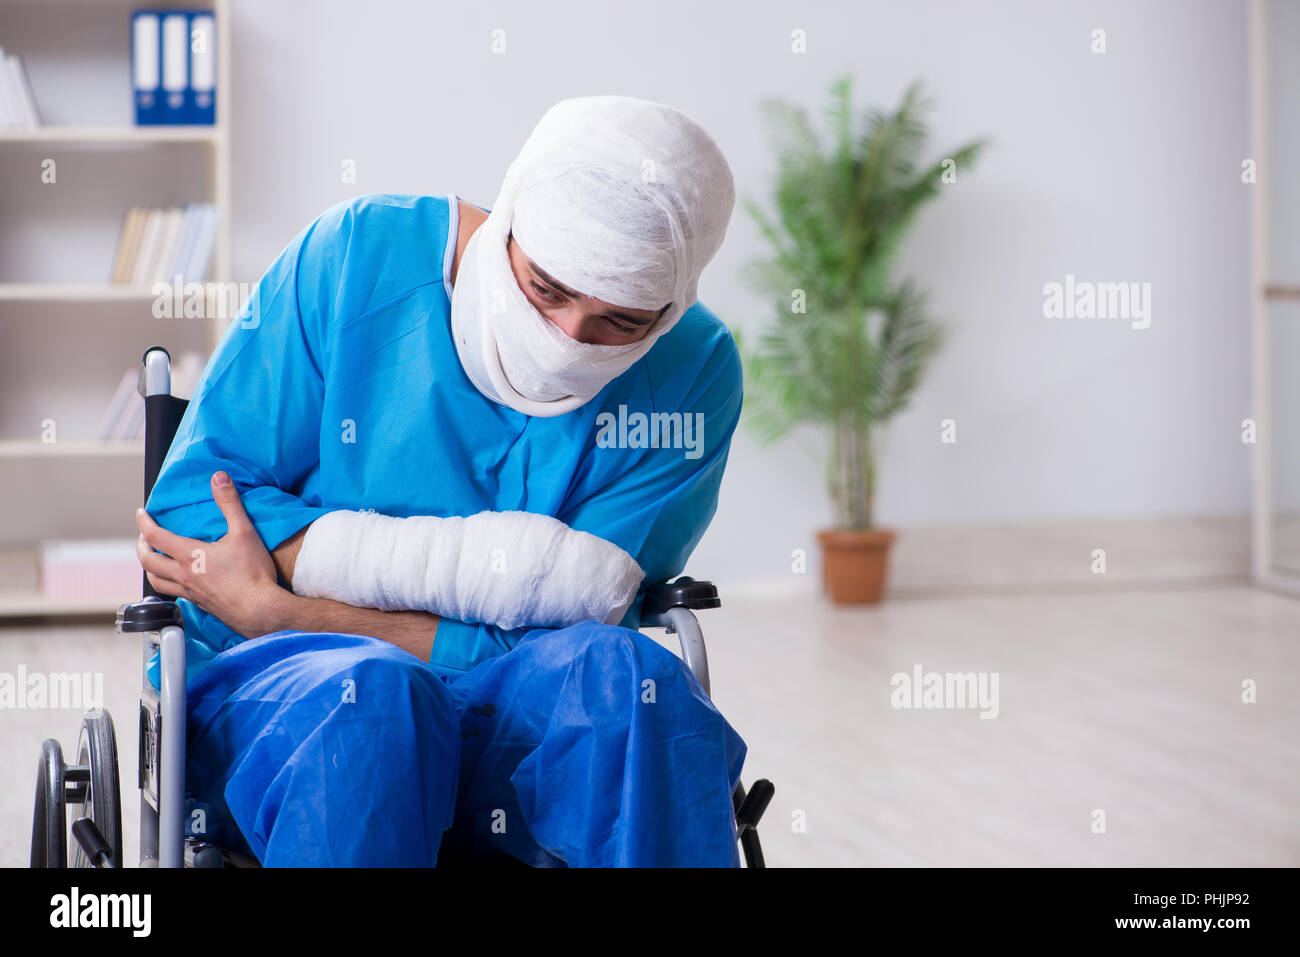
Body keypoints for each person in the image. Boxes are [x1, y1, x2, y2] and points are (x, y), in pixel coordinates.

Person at [136, 95, 747, 867]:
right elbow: (189, 512)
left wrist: (279, 606)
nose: (567, 341)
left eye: (619, 322)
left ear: (672, 305)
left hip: (513, 709)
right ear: (509, 221)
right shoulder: (356, 257)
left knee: (633, 686)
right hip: (296, 696)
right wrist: (285, 630)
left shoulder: (692, 369)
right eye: (546, 288)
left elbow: (580, 617)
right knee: (376, 697)